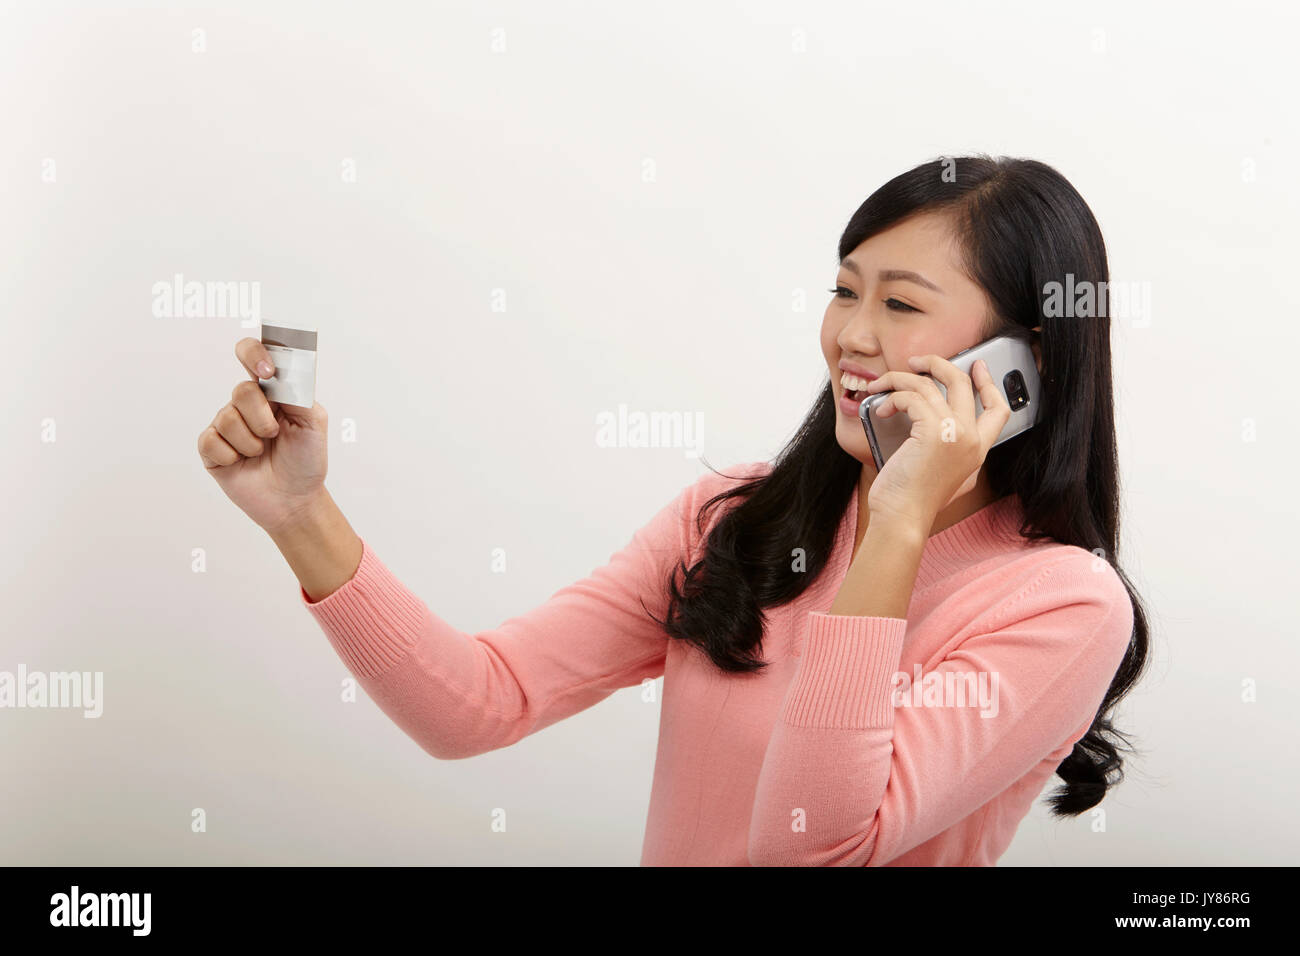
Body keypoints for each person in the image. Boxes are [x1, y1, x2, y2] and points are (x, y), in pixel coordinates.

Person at [197, 154, 1150, 866]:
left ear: (1020, 368)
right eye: (844, 290)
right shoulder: (730, 519)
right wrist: (299, 512)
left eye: (901, 305)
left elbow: (812, 844)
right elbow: (482, 704)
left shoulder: (1062, 605)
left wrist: (898, 524)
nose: (852, 336)